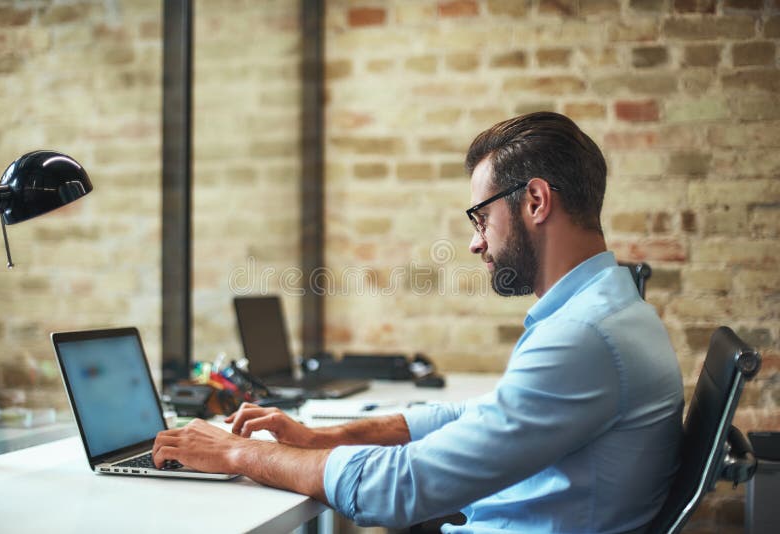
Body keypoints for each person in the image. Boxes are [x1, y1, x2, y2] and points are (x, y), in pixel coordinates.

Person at [153, 112, 684, 533]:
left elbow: (399, 491)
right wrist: (322, 437)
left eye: (481, 217)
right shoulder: (609, 312)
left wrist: (238, 452)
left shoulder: (582, 337)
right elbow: (474, 415)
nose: (477, 242)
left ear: (536, 201)